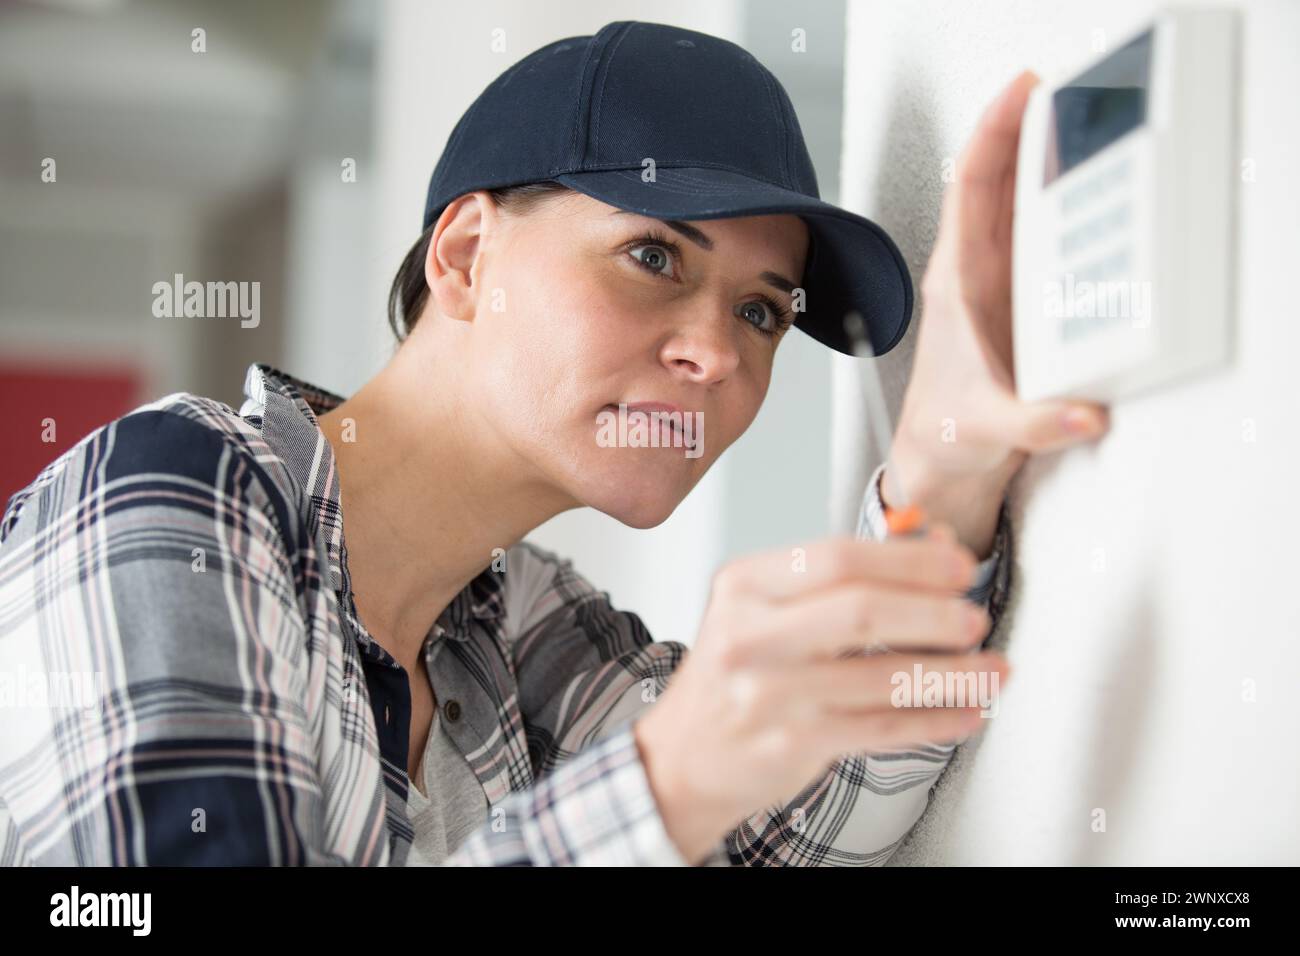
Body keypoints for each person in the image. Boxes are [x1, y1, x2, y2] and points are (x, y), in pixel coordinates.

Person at [0, 21, 1107, 866]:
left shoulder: (520, 622)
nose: (718, 355)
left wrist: (943, 473)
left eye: (761, 311)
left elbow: (800, 821)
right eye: (655, 259)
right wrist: (664, 781)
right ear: (469, 256)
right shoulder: (169, 491)